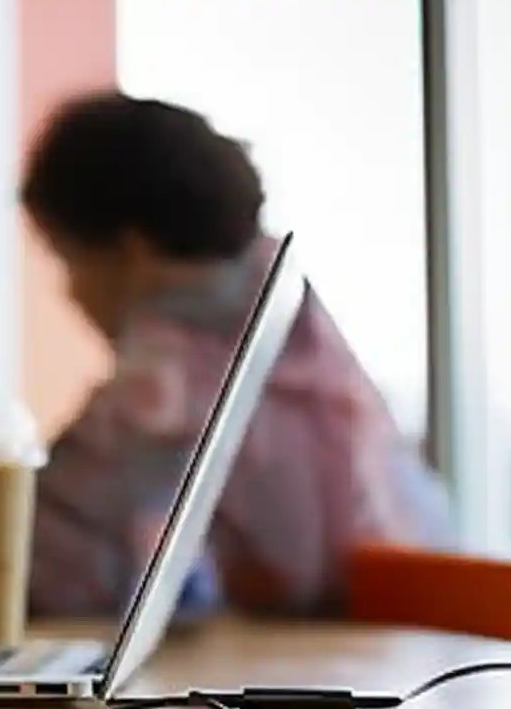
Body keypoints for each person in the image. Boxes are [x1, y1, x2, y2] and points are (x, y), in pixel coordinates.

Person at [22, 92, 452, 619]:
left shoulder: (164, 381)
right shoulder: (293, 317)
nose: (70, 294)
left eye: (69, 263)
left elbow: (44, 570)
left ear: (133, 253)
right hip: (404, 622)